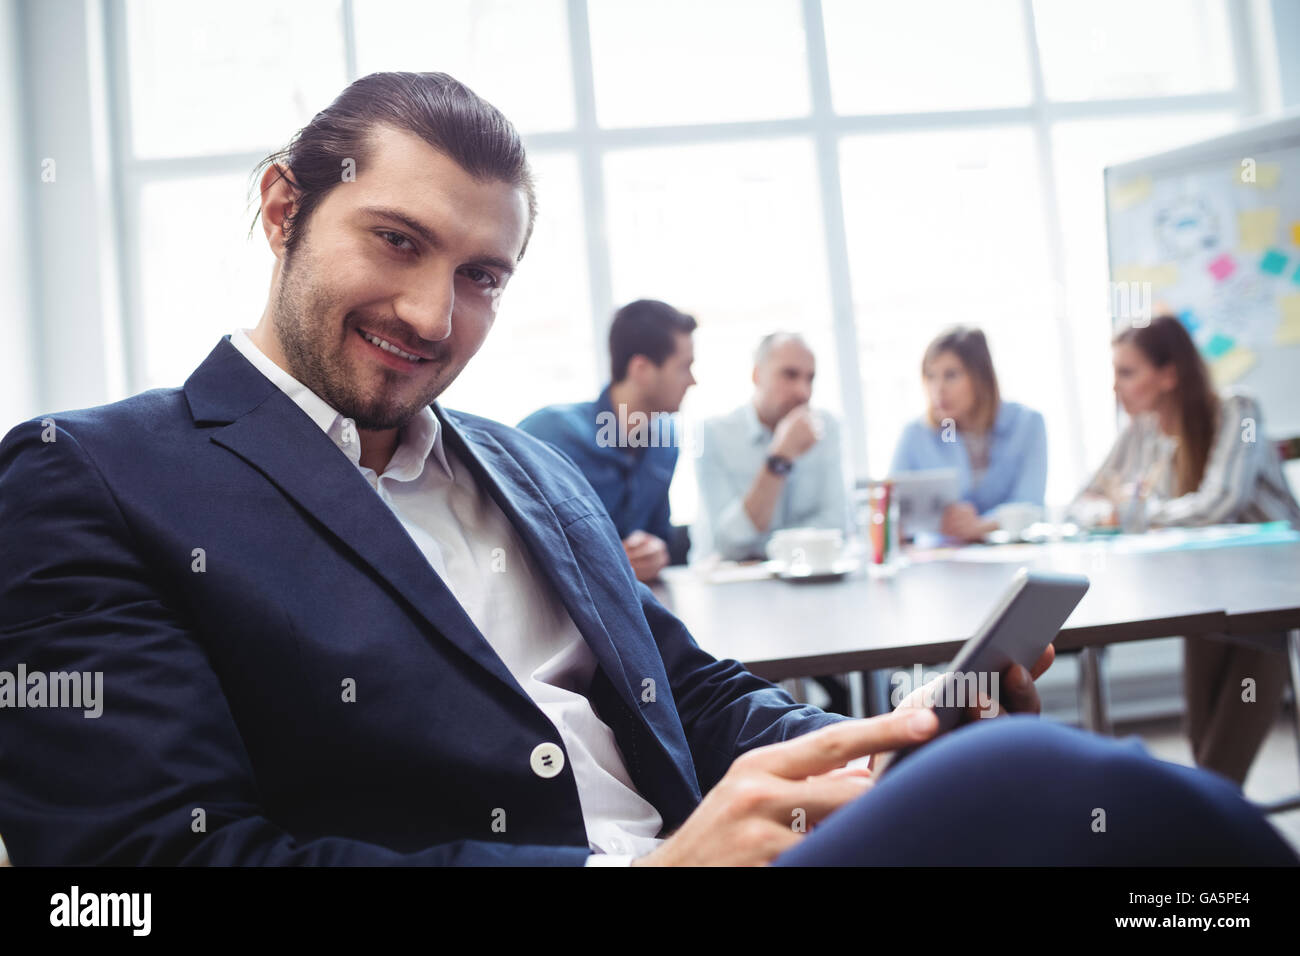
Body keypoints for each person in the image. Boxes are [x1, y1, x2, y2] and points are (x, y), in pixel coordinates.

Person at [0, 73, 1294, 867]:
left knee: (1099, 813)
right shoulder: (90, 479)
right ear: (283, 209)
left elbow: (704, 701)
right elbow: (145, 872)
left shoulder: (524, 467)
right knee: (1065, 794)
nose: (432, 312)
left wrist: (894, 744)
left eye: (480, 276)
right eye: (393, 241)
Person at [1069, 314, 1300, 787]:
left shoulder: (1238, 408)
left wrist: (1131, 513)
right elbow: (1083, 503)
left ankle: (1209, 819)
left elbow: (1219, 503)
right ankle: (1211, 815)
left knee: (1219, 764)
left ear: (1169, 374)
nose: (1116, 387)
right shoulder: (1143, 429)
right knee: (1202, 742)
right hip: (1201, 586)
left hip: (1268, 588)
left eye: (1127, 372)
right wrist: (1115, 513)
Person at [518, 300, 696, 582]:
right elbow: (513, 543)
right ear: (642, 369)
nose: (693, 381)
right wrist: (603, 567)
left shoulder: (666, 442)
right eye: (684, 367)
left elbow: (659, 536)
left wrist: (656, 553)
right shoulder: (549, 433)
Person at [694, 332, 849, 561]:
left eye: (810, 378)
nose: (803, 392)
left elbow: (837, 525)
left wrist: (764, 546)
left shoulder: (827, 428)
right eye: (789, 375)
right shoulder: (713, 434)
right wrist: (780, 458)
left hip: (805, 577)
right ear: (757, 375)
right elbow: (727, 544)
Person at [890, 326, 1047, 542]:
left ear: (980, 377)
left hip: (1008, 555)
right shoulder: (916, 435)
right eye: (930, 376)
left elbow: (1031, 503)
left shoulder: (1027, 424)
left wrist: (982, 525)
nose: (938, 389)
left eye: (951, 375)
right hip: (939, 562)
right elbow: (890, 508)